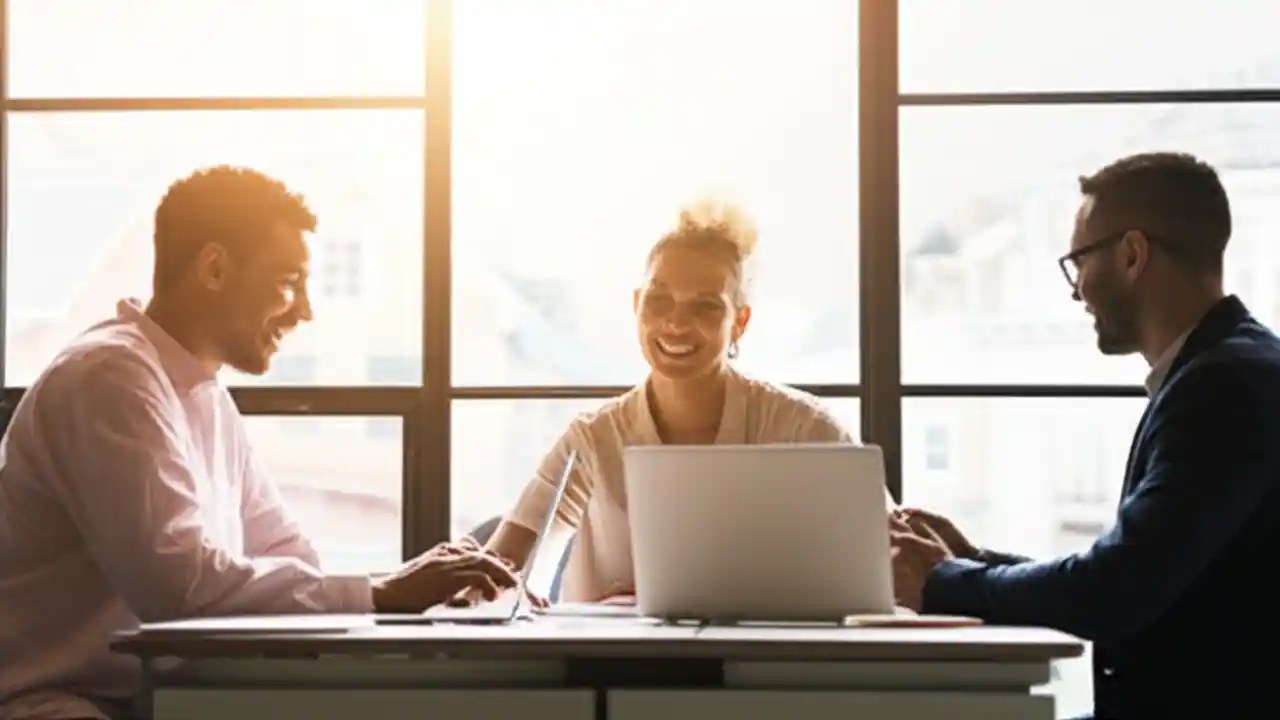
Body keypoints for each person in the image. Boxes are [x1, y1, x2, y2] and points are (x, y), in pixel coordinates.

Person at [0, 166, 517, 720]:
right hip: (56, 702)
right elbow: (181, 587)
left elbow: (287, 554)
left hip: (153, 695)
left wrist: (405, 587)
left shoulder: (204, 396)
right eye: (289, 281)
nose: (306, 310)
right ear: (215, 267)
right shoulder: (108, 378)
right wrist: (382, 591)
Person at [890, 152, 1280, 719]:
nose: (1076, 293)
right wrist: (973, 560)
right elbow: (1141, 567)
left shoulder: (1222, 386)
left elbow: (1119, 589)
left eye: (1078, 263)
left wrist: (947, 581)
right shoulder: (1229, 368)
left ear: (1131, 254)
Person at [481, 199, 876, 603]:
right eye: (659, 300)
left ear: (739, 322)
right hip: (616, 664)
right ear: (637, 306)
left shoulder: (805, 429)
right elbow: (495, 569)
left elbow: (887, 555)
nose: (675, 323)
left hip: (764, 664)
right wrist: (507, 595)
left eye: (705, 306)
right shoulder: (592, 438)